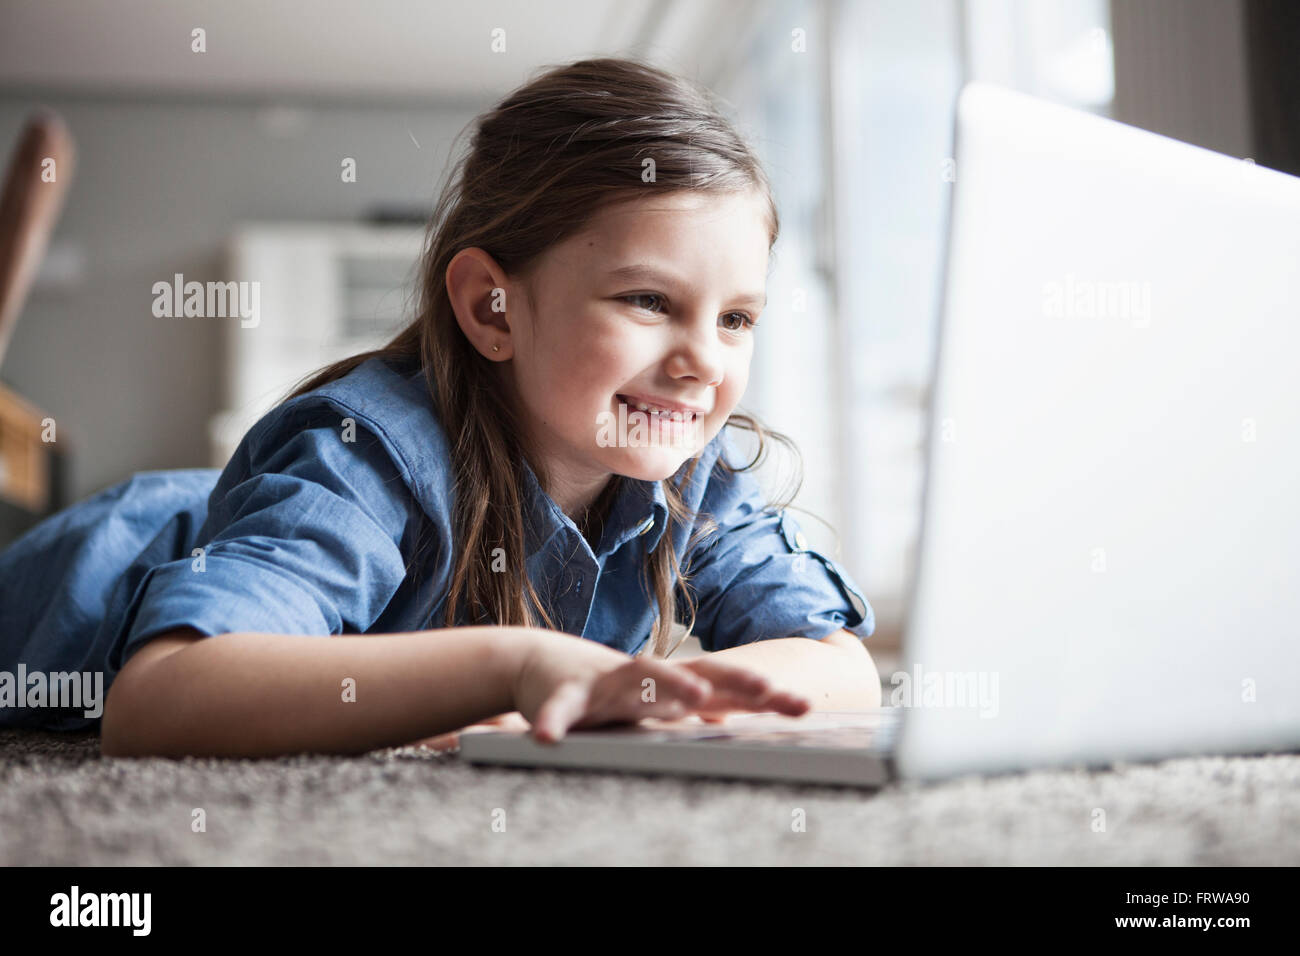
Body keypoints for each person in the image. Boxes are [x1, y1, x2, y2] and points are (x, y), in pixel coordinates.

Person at [0, 57, 880, 757]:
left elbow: (842, 670)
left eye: (735, 318)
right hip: (93, 578)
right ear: (491, 307)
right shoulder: (368, 452)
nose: (700, 362)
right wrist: (516, 666)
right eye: (648, 302)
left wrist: (669, 708)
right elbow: (159, 701)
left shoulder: (695, 469)